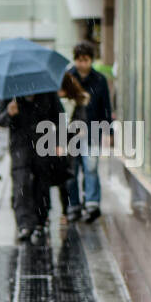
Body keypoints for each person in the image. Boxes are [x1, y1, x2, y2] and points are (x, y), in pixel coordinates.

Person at [0, 90, 61, 245]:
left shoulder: (47, 92)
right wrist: (9, 113)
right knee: (21, 183)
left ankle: (40, 220)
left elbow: (59, 116)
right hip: (20, 145)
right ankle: (24, 224)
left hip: (43, 143)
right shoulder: (11, 92)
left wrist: (60, 142)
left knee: (42, 184)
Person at [66, 41, 113, 222]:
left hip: (93, 129)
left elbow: (106, 108)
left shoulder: (99, 80)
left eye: (85, 60)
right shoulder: (68, 77)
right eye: (79, 60)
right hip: (71, 131)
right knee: (72, 170)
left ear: (91, 60)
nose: (82, 64)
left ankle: (92, 203)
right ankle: (73, 205)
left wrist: (107, 132)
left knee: (91, 167)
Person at [58, 71, 91, 223]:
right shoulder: (55, 101)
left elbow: (81, 123)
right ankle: (70, 208)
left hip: (75, 143)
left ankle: (77, 205)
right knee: (67, 177)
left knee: (77, 173)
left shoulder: (77, 101)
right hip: (60, 144)